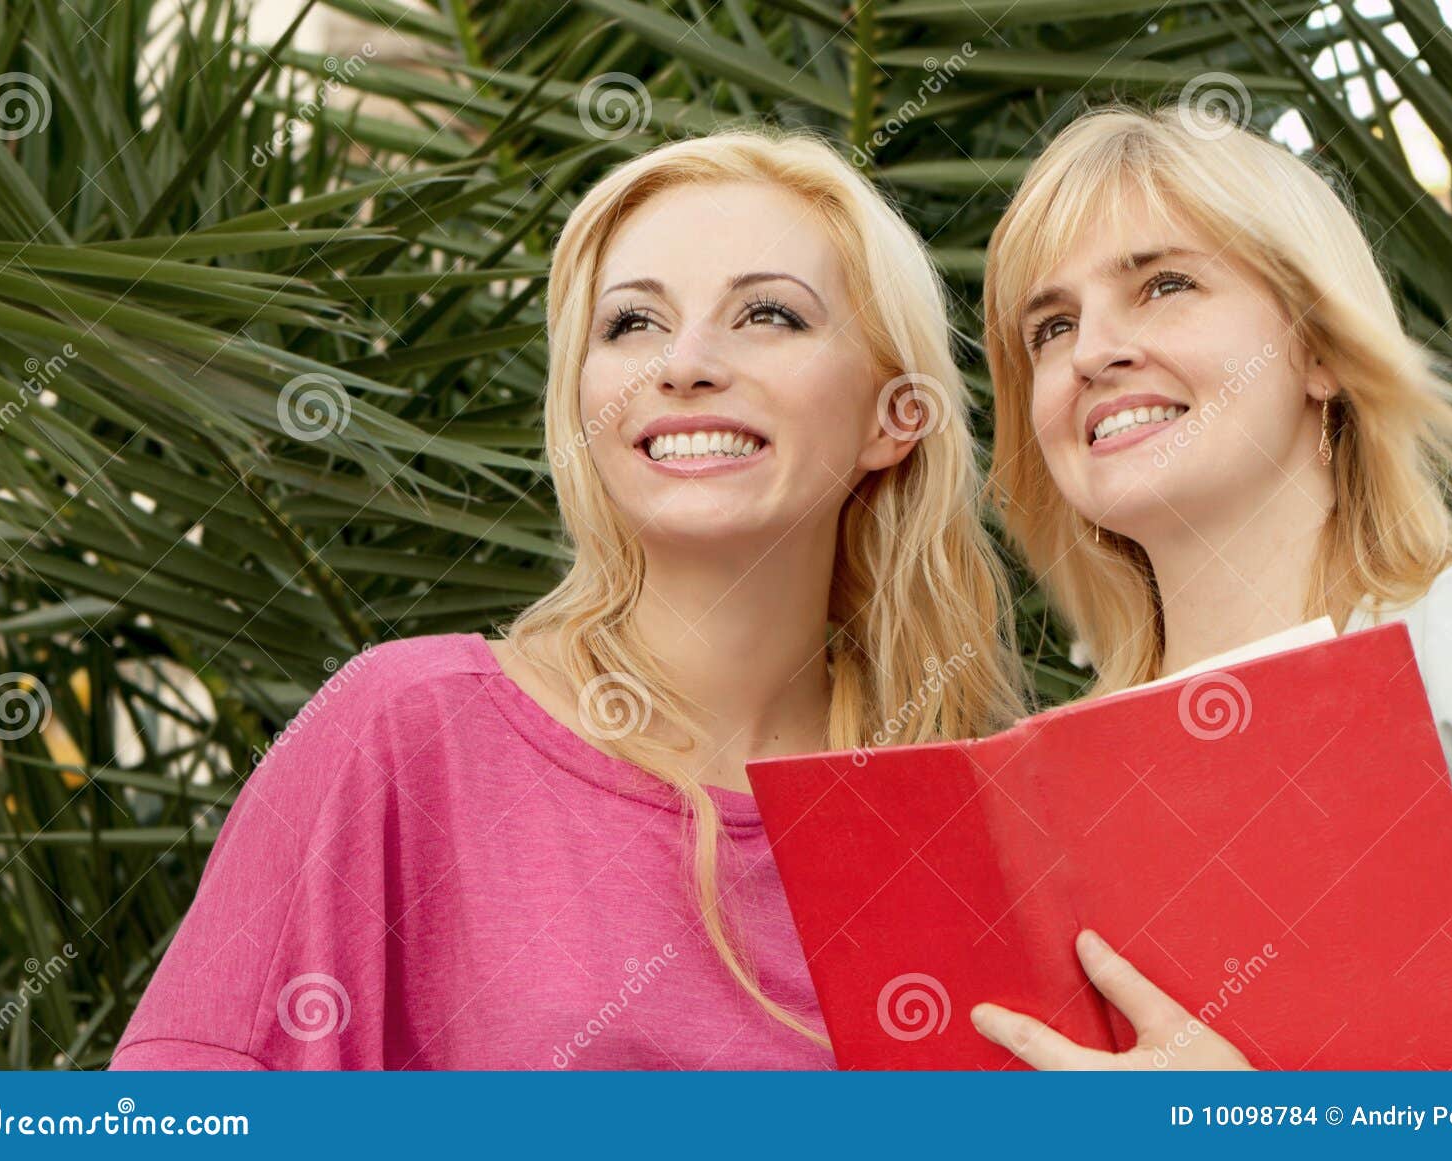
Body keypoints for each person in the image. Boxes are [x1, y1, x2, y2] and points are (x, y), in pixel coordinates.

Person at [108, 127, 1028, 1070]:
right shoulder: (409, 727)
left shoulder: (977, 832)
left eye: (769, 315)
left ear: (894, 414)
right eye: (632, 324)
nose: (685, 363)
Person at [971, 104, 1452, 1068]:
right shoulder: (1041, 788)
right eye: (1050, 326)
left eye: (1164, 284)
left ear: (1320, 349)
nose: (1090, 354)